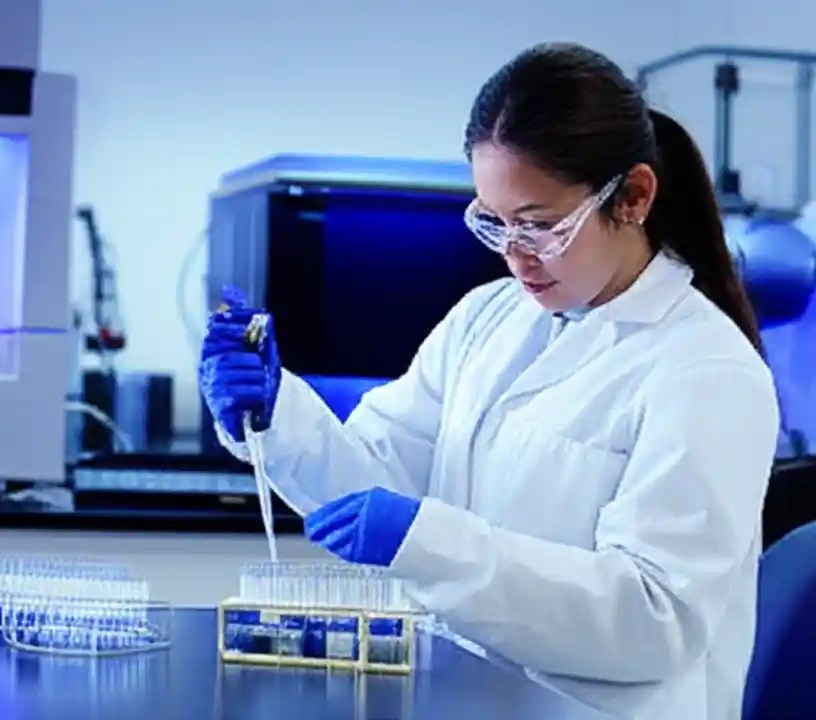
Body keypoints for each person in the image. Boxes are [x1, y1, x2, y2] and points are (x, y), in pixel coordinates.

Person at [199, 42, 778, 720]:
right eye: (494, 224)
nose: (515, 256)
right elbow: (376, 484)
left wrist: (433, 546)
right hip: (464, 698)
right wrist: (276, 415)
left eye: (541, 226)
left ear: (634, 197)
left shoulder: (706, 370)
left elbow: (653, 621)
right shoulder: (489, 319)